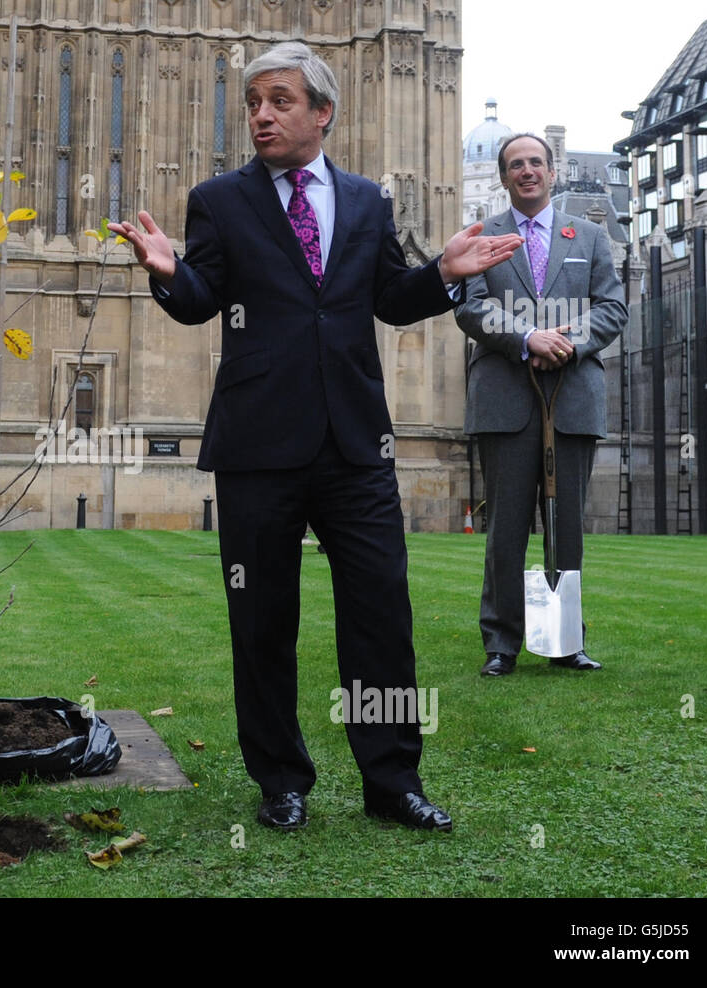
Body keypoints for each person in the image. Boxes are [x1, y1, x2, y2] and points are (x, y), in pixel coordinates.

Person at [109, 41, 522, 831]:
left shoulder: (367, 202)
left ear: (322, 113)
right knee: (261, 620)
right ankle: (282, 780)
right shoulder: (220, 201)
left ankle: (392, 779)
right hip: (257, 444)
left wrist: (445, 272)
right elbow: (201, 300)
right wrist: (166, 270)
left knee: (381, 617)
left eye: (280, 100)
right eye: (254, 102)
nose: (262, 114)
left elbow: (392, 302)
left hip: (357, 445)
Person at [454, 134, 627, 677]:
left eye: (535, 162)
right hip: (505, 398)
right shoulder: (485, 236)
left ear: (553, 171)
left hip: (573, 394)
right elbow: (471, 308)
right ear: (504, 179)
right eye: (515, 166)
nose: (526, 171)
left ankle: (563, 641)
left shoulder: (592, 236)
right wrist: (528, 338)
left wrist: (567, 342)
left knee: (566, 524)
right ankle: (501, 644)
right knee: (505, 526)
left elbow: (613, 307)